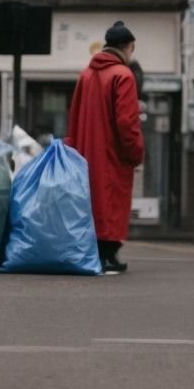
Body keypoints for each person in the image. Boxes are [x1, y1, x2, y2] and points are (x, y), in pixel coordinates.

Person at [66, 20, 145, 274]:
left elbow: (74, 114)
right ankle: (109, 254)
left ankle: (96, 252)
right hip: (113, 153)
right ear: (127, 47)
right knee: (112, 202)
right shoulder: (123, 75)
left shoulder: (86, 74)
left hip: (86, 152)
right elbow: (127, 121)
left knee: (91, 201)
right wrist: (135, 151)